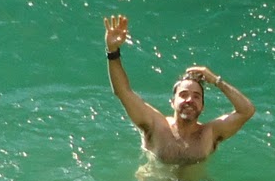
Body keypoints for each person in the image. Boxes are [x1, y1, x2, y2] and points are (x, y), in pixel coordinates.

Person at [103, 15, 256, 167]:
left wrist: (216, 80)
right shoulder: (155, 126)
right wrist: (113, 51)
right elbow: (123, 91)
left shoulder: (210, 134)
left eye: (196, 96)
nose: (189, 100)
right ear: (172, 102)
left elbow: (246, 111)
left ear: (202, 106)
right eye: (183, 95)